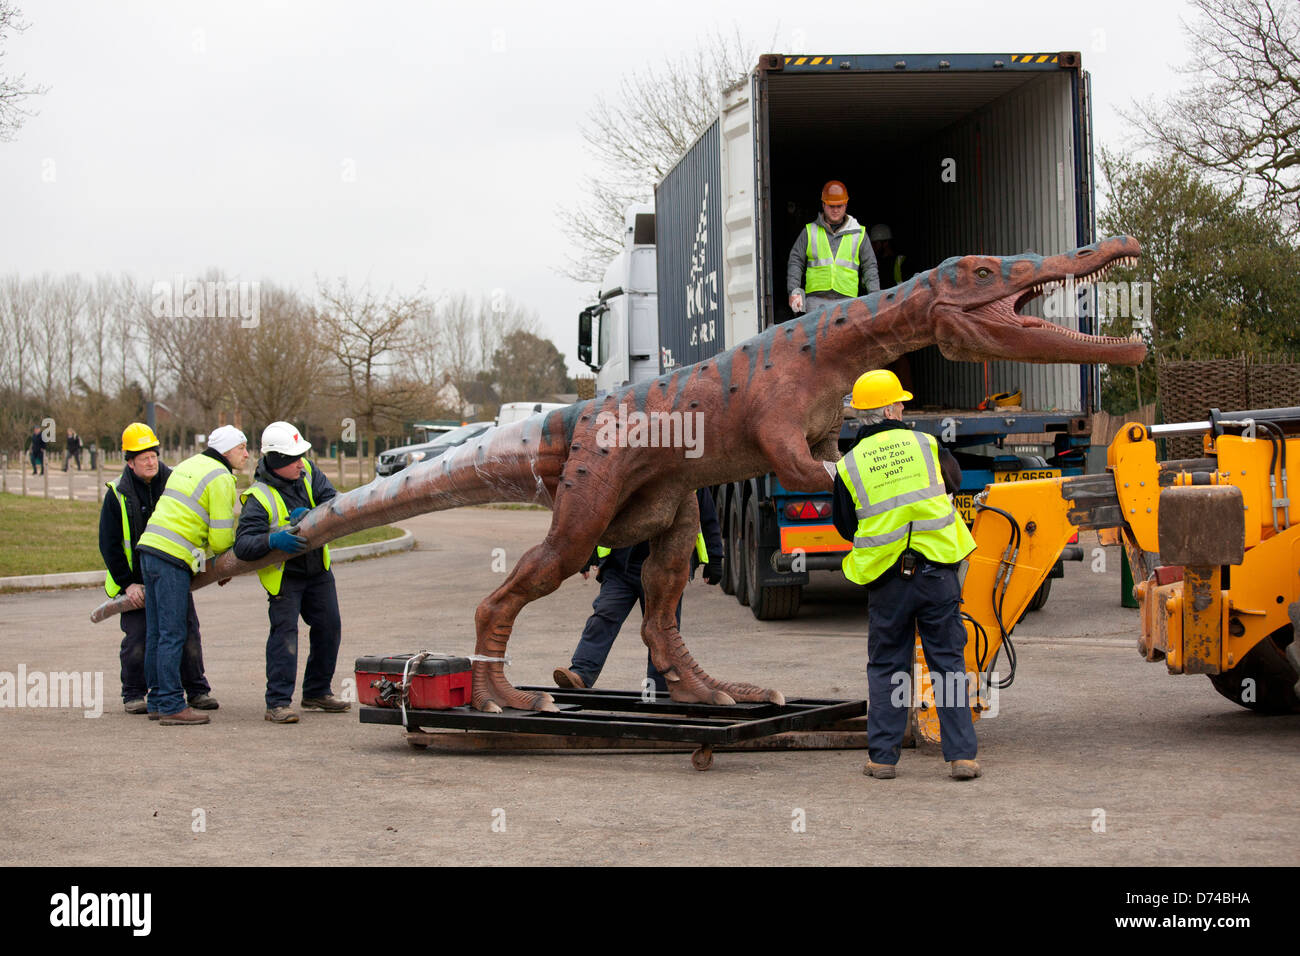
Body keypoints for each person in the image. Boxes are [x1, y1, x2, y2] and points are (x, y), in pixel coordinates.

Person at [831, 369, 981, 780]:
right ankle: (962, 757)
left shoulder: (849, 466)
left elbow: (845, 525)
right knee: (948, 663)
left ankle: (882, 758)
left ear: (861, 416)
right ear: (893, 407)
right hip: (937, 573)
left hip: (886, 580)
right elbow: (953, 482)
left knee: (887, 667)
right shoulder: (927, 444)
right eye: (901, 402)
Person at [553, 488, 723, 692]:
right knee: (604, 615)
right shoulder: (628, 462)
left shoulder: (685, 470)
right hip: (621, 564)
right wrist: (587, 552)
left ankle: (659, 689)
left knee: (661, 629)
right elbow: (599, 511)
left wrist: (714, 557)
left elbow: (706, 514)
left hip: (665, 569)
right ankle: (581, 673)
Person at [234, 421, 349, 724]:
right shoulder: (258, 498)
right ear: (277, 461)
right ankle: (278, 703)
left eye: (302, 456)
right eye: (294, 458)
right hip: (286, 576)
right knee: (285, 636)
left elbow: (333, 502)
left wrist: (314, 514)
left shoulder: (309, 472)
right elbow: (243, 545)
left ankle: (316, 691)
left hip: (317, 568)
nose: (301, 463)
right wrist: (273, 539)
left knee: (329, 626)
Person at [100, 423, 218, 715]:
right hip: (136, 582)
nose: (151, 461)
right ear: (130, 462)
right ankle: (134, 693)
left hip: (173, 572)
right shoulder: (118, 494)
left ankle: (197, 689)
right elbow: (110, 544)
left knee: (187, 631)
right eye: (144, 457)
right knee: (139, 637)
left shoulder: (175, 481)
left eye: (153, 454)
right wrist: (128, 584)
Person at [136, 425, 248, 726]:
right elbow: (223, 538)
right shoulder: (222, 477)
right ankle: (173, 705)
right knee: (173, 632)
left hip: (149, 549)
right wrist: (221, 563)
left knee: (158, 631)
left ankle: (158, 700)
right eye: (242, 448)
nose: (248, 454)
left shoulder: (188, 465)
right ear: (226, 451)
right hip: (172, 558)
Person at [786, 180, 880, 316]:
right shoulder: (809, 231)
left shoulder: (858, 233)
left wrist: (874, 296)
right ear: (823, 205)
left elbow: (870, 266)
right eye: (831, 206)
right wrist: (794, 291)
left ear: (846, 205)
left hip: (847, 301)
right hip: (815, 301)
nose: (835, 210)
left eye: (839, 206)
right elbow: (795, 261)